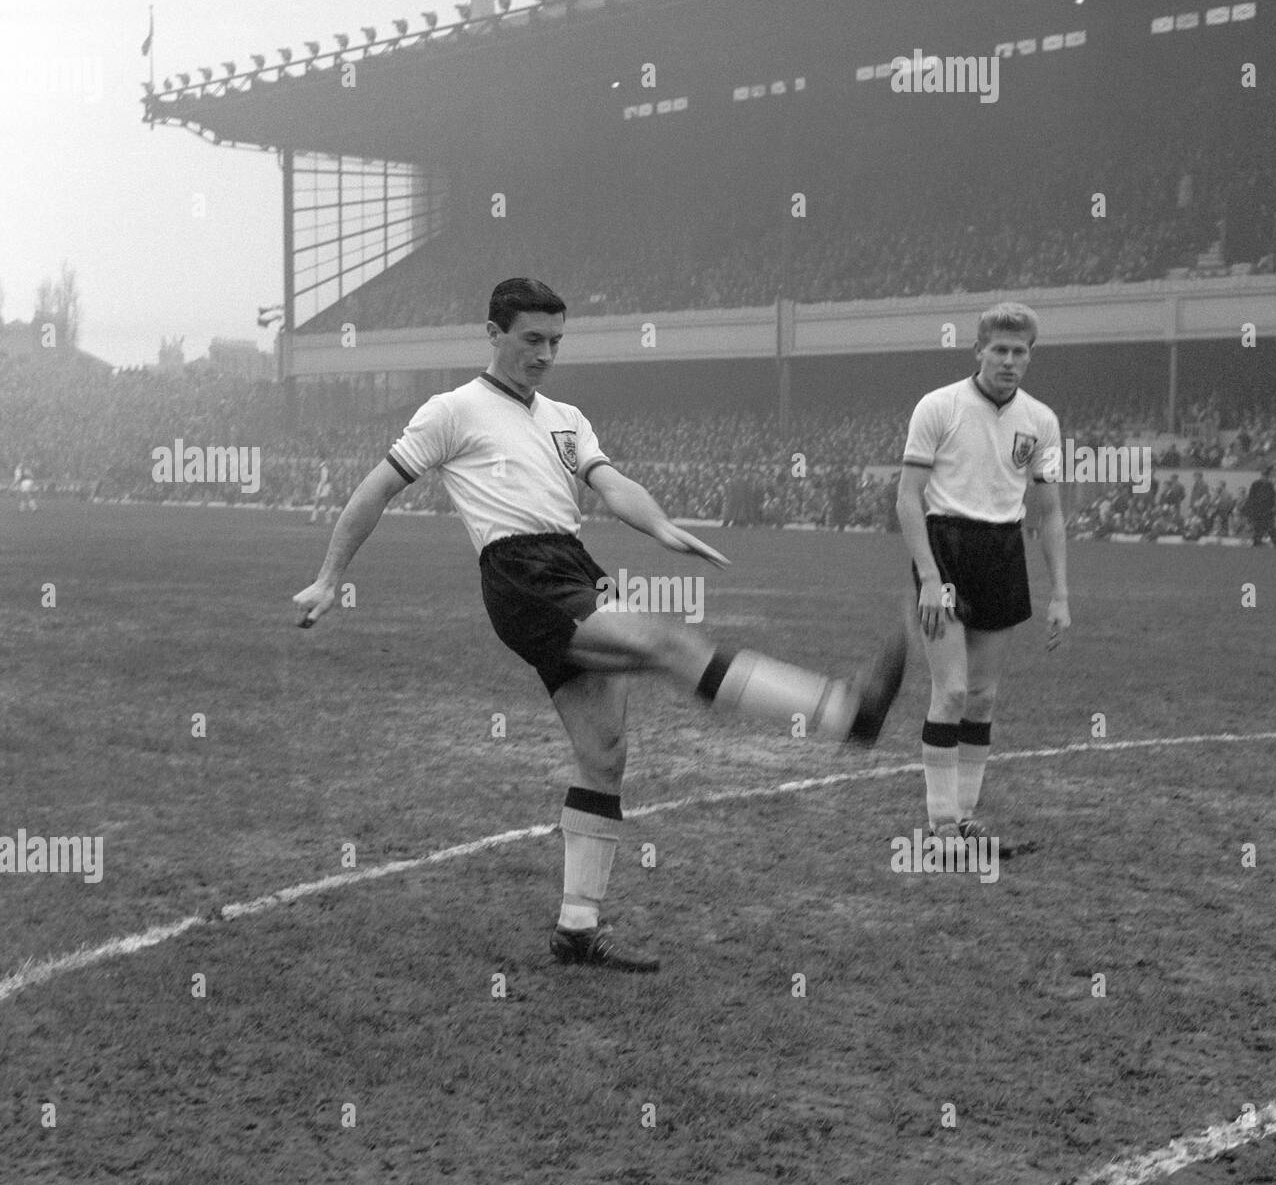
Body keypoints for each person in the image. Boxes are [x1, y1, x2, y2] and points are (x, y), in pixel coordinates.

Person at [294, 278, 907, 973]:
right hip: (521, 575)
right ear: (492, 333)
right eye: (531, 339)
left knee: (605, 753)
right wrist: (330, 574)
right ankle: (844, 711)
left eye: (555, 341)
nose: (545, 353)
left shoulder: (565, 416)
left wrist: (662, 523)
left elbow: (610, 483)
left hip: (576, 563)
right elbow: (376, 487)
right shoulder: (451, 410)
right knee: (669, 643)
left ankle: (576, 929)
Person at [895, 302, 1070, 844]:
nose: (1010, 361)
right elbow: (907, 496)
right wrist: (928, 576)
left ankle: (964, 817)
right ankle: (941, 826)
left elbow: (1051, 513)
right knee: (950, 692)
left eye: (1020, 352)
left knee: (983, 698)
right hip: (945, 547)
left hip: (1001, 551)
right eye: (1000, 350)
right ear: (979, 351)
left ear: (1030, 357)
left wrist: (1061, 594)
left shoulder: (1040, 421)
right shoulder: (939, 406)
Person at [1244, 466, 1276, 547]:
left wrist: (1272, 507)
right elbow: (1251, 497)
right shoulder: (1257, 484)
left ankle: (1273, 542)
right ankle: (1259, 542)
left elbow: (1272, 498)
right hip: (1259, 509)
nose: (1264, 477)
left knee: (1267, 526)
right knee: (1261, 527)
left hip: (1266, 510)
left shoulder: (1268, 485)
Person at [308, 456, 333, 524]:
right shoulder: (323, 467)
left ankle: (314, 519)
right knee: (320, 502)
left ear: (320, 459)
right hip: (325, 486)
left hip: (324, 486)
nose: (316, 460)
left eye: (317, 458)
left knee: (320, 502)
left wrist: (321, 488)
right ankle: (316, 519)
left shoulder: (323, 467)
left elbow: (324, 480)